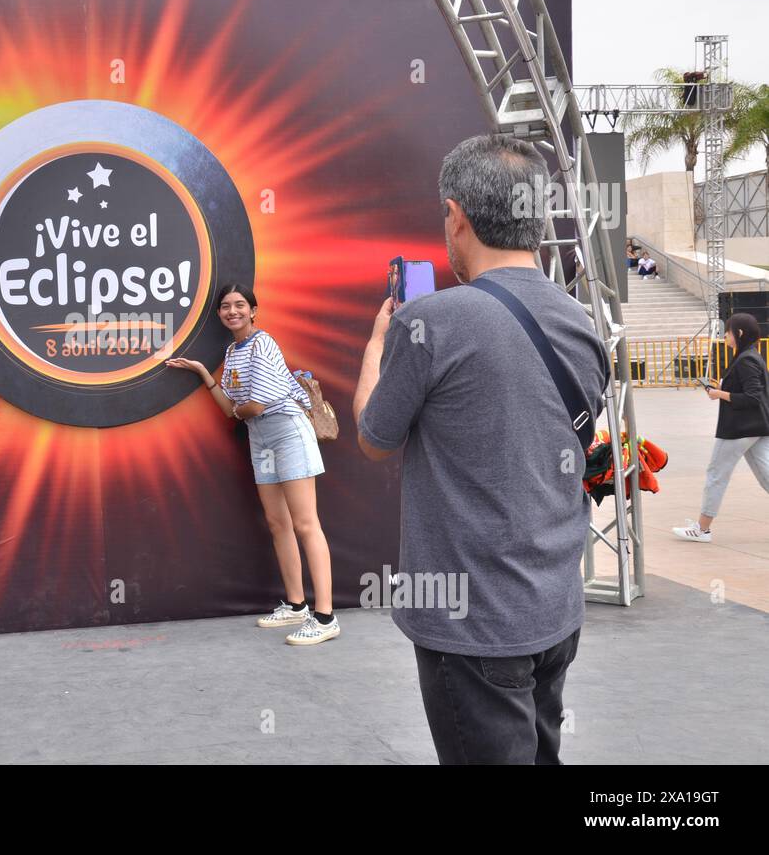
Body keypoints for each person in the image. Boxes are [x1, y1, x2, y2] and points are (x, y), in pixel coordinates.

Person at [353, 134, 610, 765]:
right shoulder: (581, 321)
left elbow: (373, 438)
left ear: (457, 215)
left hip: (471, 624)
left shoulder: (431, 322)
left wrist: (375, 347)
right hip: (553, 608)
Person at [167, 284, 339, 645]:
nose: (233, 311)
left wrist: (241, 409)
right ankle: (296, 606)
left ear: (253, 310)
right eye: (226, 307)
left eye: (240, 305)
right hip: (259, 436)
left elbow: (254, 406)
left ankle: (325, 617)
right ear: (219, 315)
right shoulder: (231, 354)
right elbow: (232, 409)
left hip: (286, 429)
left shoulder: (263, 344)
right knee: (278, 523)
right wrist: (203, 374)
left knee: (306, 523)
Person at [672, 313, 769, 542]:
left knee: (716, 474)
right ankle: (702, 528)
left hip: (739, 429)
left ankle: (702, 529)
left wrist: (719, 394)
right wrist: (722, 390)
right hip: (756, 428)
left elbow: (752, 397)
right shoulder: (751, 356)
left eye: (729, 330)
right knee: (766, 475)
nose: (725, 335)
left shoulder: (746, 360)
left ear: (740, 334)